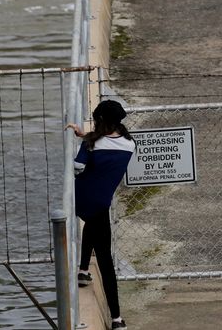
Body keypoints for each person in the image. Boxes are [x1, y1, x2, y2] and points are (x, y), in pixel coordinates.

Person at [67, 99, 135, 330]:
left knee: (101, 247)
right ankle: (117, 319)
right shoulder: (129, 144)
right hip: (101, 201)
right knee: (103, 251)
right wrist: (85, 136)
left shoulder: (91, 145)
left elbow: (77, 168)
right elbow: (108, 145)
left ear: (101, 121)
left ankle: (84, 272)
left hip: (80, 199)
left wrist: (84, 139)